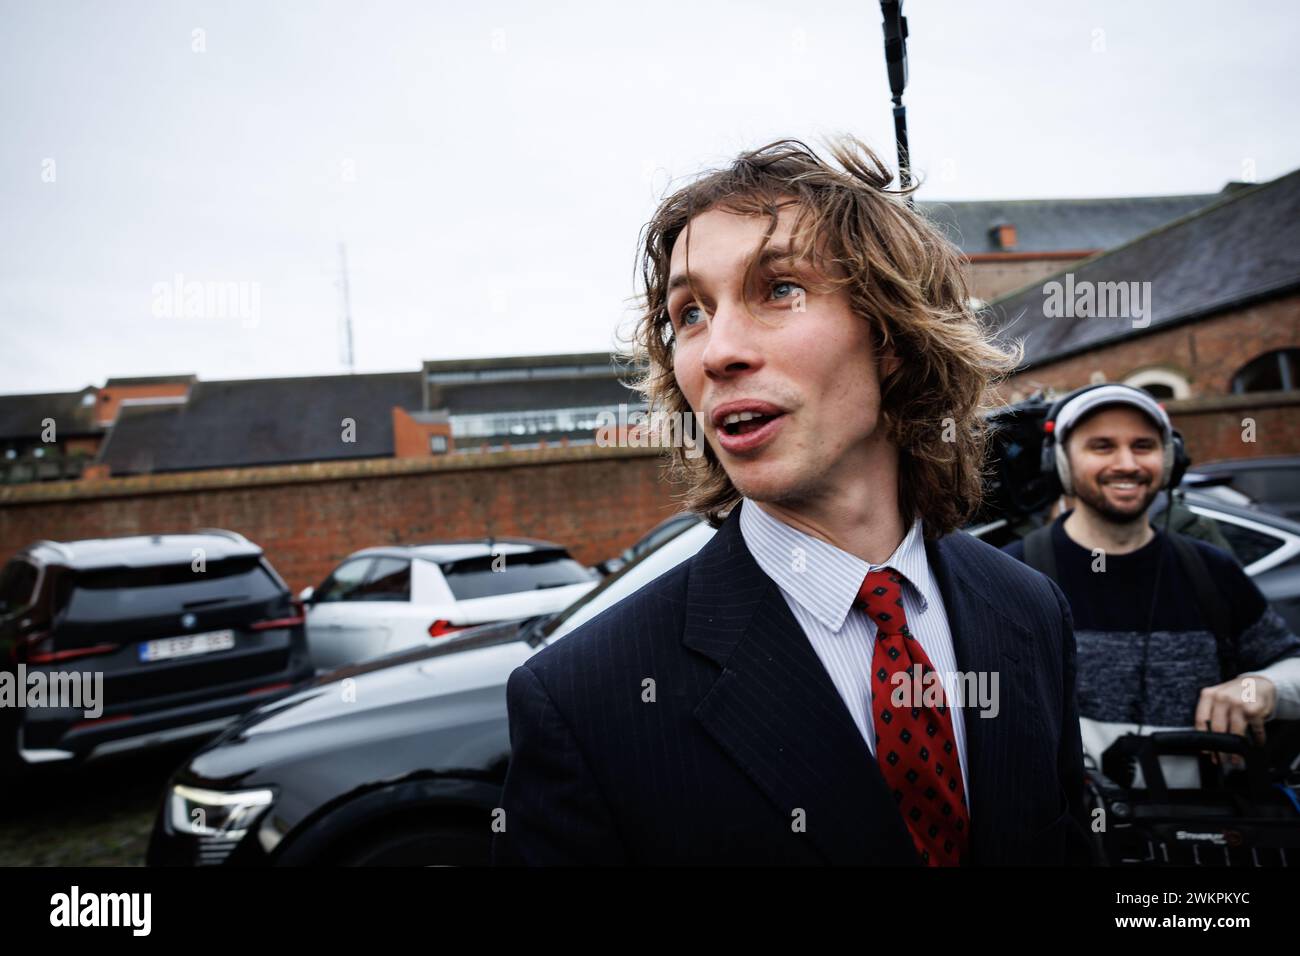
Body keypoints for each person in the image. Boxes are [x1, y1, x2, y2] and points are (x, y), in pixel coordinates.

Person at [492, 137, 1092, 866]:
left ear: (894, 334)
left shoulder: (1031, 611)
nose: (717, 351)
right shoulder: (583, 700)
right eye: (690, 313)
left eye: (778, 288)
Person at [1003, 384, 1300, 787]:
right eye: (1102, 447)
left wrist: (1259, 687)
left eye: (1143, 445)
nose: (1127, 464)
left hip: (1208, 837)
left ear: (1169, 459)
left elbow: (1292, 666)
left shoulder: (1211, 569)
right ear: (1061, 463)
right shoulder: (1013, 574)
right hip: (1070, 841)